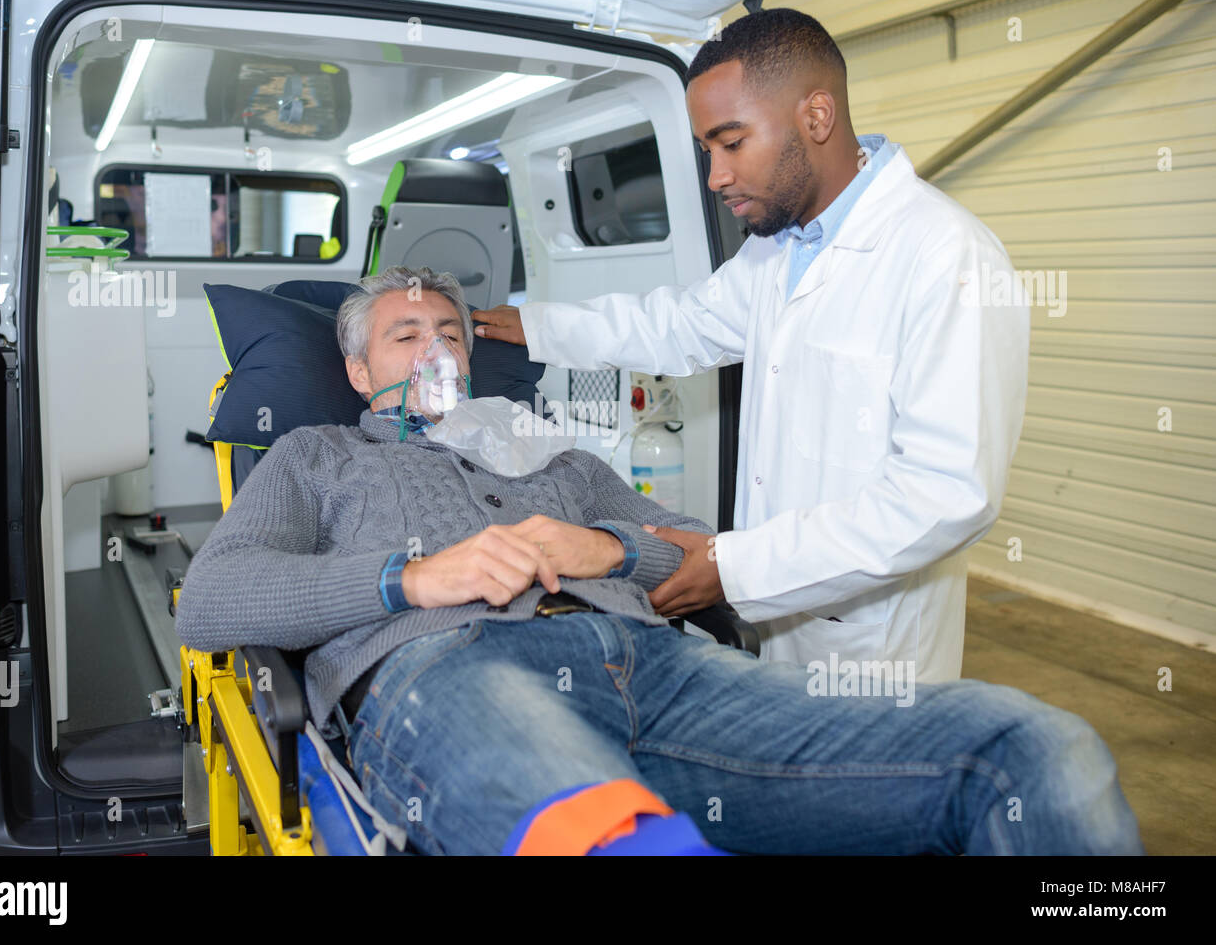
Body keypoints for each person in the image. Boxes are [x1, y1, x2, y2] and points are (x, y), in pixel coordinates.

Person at [174, 268, 1140, 856]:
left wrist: (610, 546)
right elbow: (211, 599)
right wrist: (407, 578)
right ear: (356, 373)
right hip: (449, 666)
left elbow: (694, 551)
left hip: (660, 671)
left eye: (453, 335)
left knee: (1028, 747)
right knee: (606, 829)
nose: (438, 350)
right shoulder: (321, 457)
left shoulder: (562, 458)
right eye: (406, 334)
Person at [472, 8, 1030, 683]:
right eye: (708, 149)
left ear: (816, 118)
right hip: (777, 629)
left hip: (872, 654)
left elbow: (945, 494)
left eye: (731, 143)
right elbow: (675, 325)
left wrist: (734, 566)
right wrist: (536, 326)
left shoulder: (947, 257)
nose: (715, 175)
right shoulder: (777, 252)